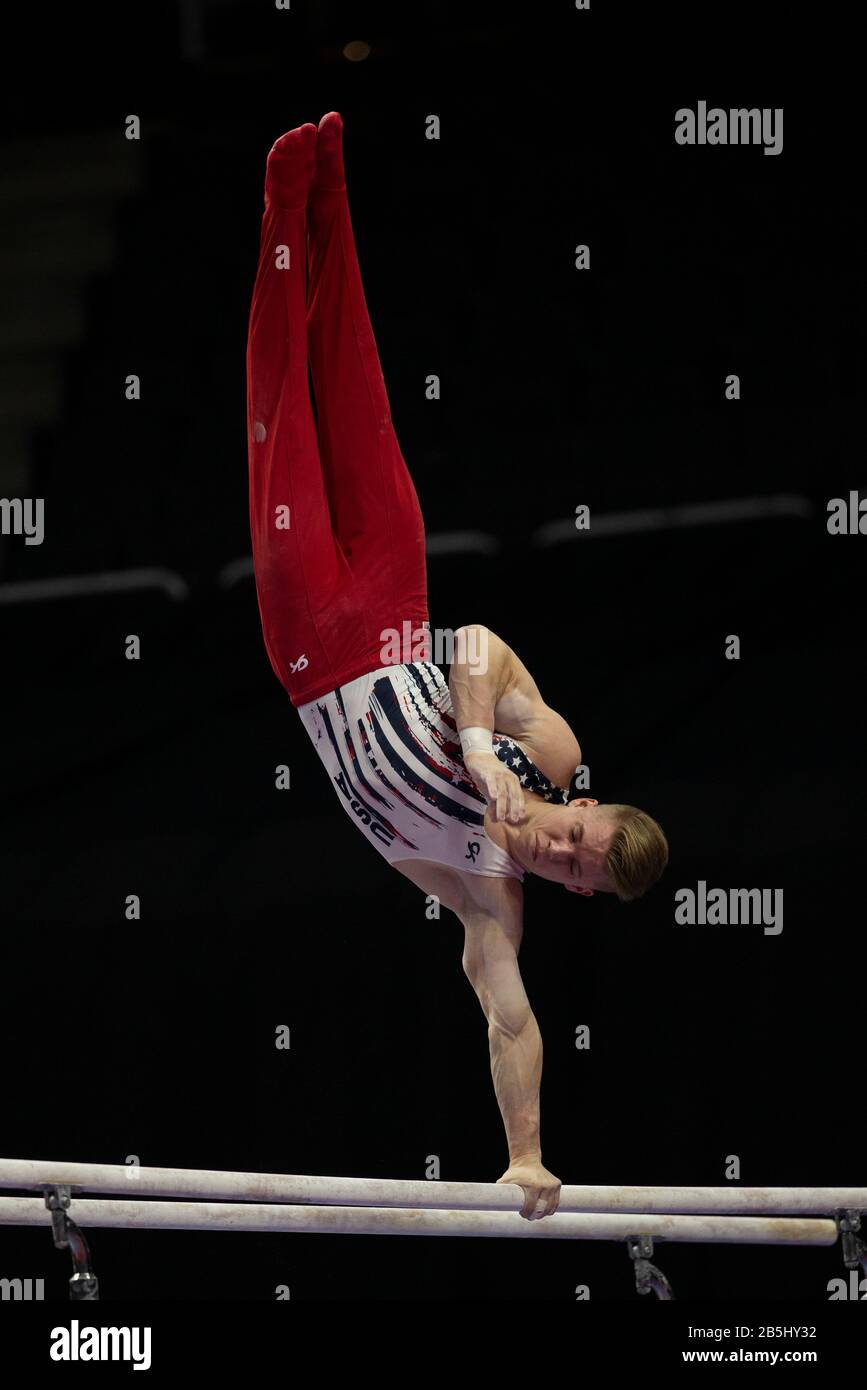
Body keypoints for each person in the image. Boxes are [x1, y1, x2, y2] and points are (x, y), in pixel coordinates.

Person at [246, 115, 669, 1221]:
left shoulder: (491, 898)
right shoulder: (557, 752)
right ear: (592, 803)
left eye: (572, 866)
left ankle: (282, 210)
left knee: (286, 413)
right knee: (358, 384)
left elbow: (510, 1019)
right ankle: (332, 183)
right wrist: (483, 744)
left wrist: (526, 1155)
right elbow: (476, 647)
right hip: (394, 608)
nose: (563, 845)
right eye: (582, 831)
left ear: (572, 889)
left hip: (314, 658)